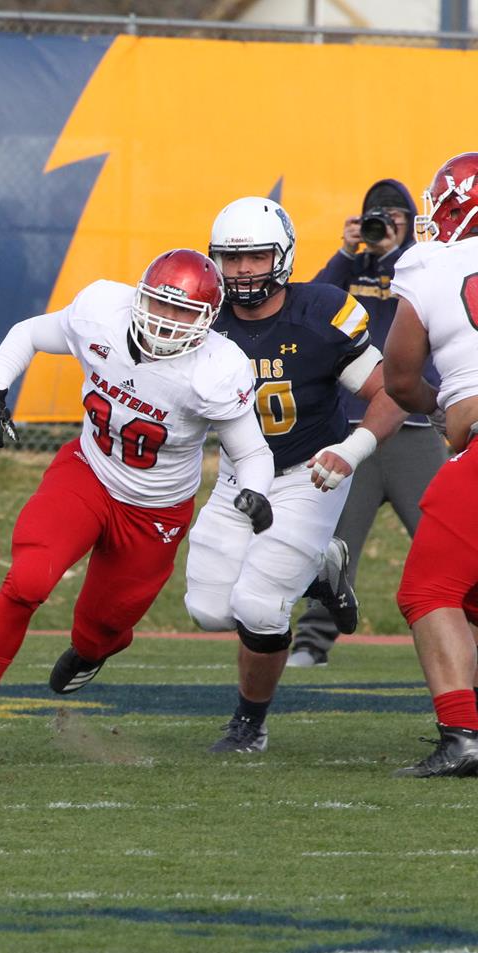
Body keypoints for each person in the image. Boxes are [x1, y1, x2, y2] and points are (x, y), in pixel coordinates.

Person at [0, 249, 275, 757]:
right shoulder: (100, 311)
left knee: (102, 628)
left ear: (208, 319)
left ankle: (94, 648)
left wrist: (256, 489)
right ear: (139, 297)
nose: (167, 320)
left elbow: (251, 449)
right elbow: (30, 333)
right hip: (89, 473)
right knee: (28, 580)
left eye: (183, 312)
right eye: (159, 305)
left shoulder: (215, 367)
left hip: (156, 512)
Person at [186, 197, 406, 754]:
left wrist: (351, 452)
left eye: (255, 257)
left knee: (259, 607)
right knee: (209, 610)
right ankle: (319, 575)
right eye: (231, 260)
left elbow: (390, 393)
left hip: (310, 472)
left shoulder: (320, 313)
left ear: (281, 256)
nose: (241, 272)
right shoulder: (205, 320)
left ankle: (249, 724)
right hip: (239, 476)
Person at [290, 178, 448, 667]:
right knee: (333, 547)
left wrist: (395, 247)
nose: (383, 223)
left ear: (409, 221)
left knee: (445, 537)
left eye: (392, 215)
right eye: (375, 215)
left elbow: (420, 290)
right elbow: (310, 306)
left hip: (414, 430)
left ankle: (468, 628)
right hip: (353, 430)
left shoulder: (420, 264)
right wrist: (347, 250)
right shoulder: (351, 268)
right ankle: (313, 642)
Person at [382, 152, 478, 777]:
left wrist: (443, 414)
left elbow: (398, 376)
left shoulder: (432, 267)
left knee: (429, 590)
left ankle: (463, 736)